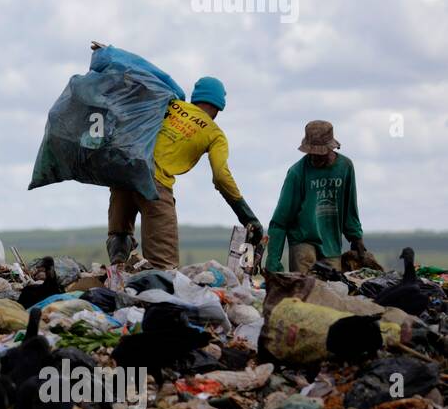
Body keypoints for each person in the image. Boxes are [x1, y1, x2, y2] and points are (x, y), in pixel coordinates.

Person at [107, 76, 262, 270]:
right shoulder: (214, 133)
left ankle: (117, 276)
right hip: (154, 183)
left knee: (119, 237)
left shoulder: (170, 104)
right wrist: (247, 216)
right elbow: (221, 177)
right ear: (219, 106)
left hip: (123, 172)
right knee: (164, 267)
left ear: (194, 98)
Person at [264, 121, 365, 273]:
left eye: (320, 154)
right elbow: (280, 221)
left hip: (331, 244)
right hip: (302, 240)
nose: (315, 158)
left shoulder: (345, 167)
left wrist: (356, 238)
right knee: (305, 289)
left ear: (331, 148)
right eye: (312, 153)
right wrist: (272, 261)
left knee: (333, 290)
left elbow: (350, 210)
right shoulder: (297, 173)